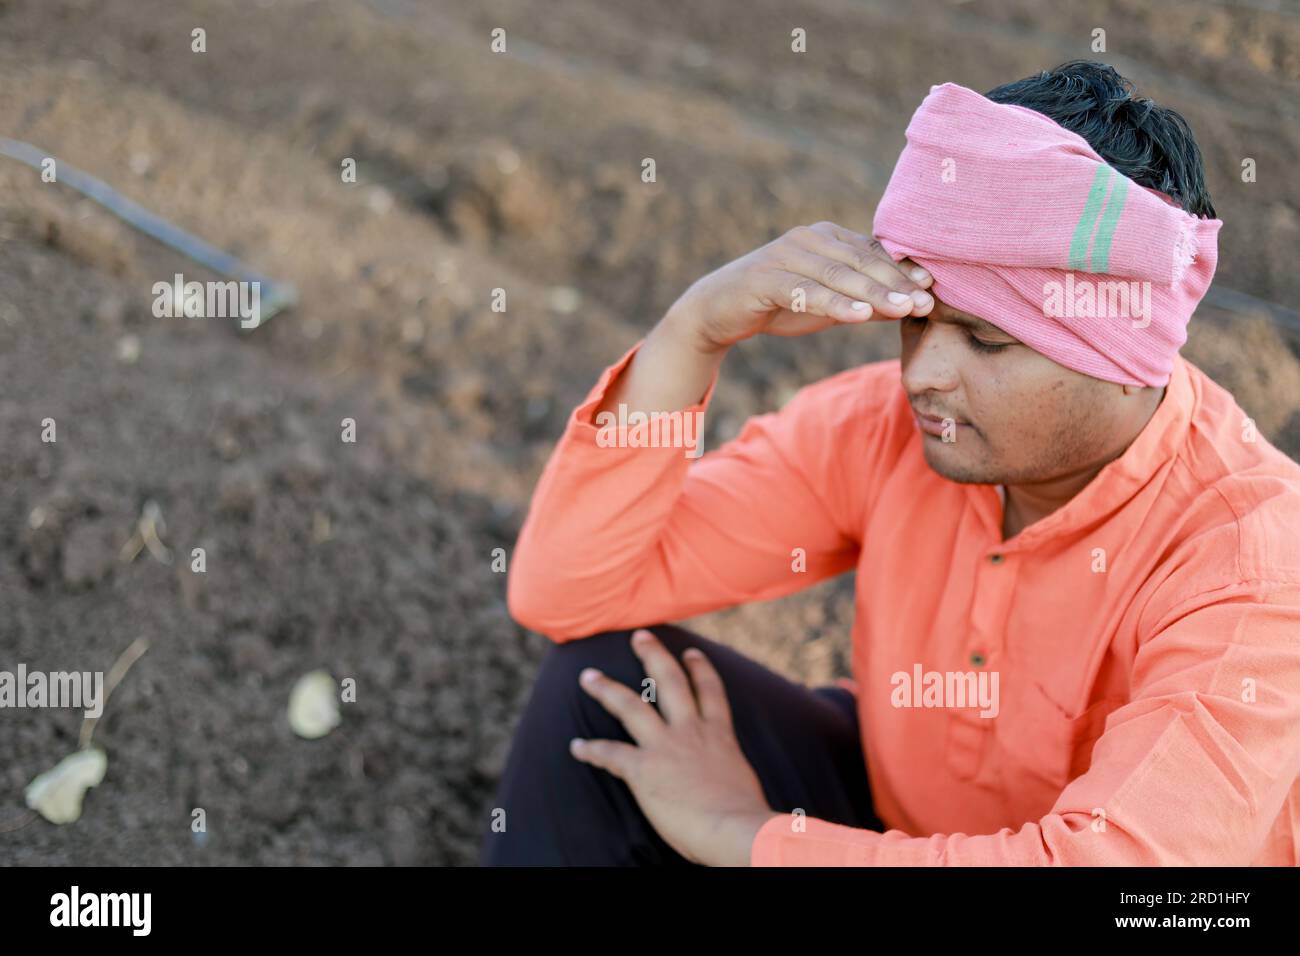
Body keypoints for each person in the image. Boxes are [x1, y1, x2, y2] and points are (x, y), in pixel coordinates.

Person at [479, 61, 1300, 866]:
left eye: (986, 339)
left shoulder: (1251, 566)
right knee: (601, 689)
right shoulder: (886, 428)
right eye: (916, 319)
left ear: (1125, 356)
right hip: (900, 825)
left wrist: (745, 836)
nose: (922, 375)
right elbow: (566, 590)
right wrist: (692, 333)